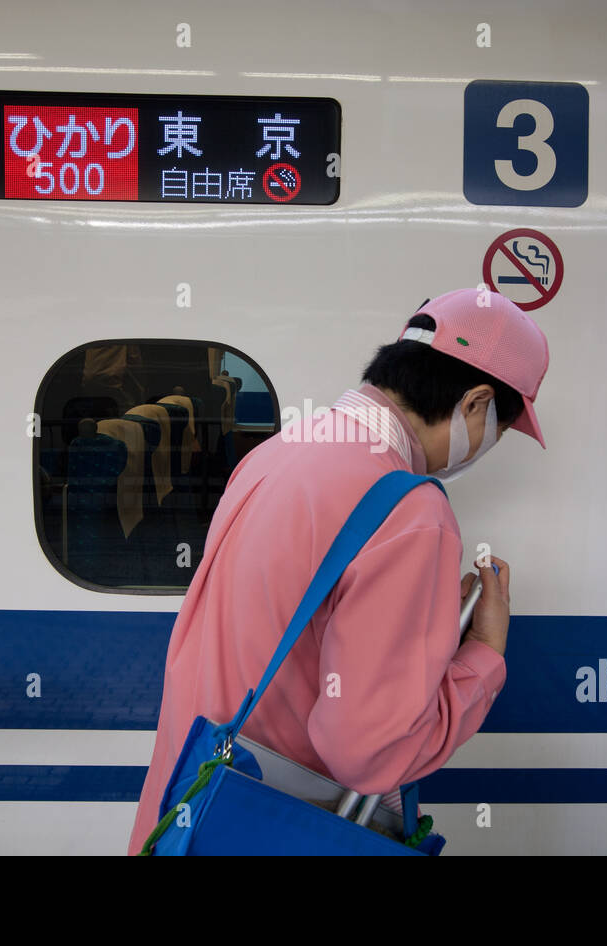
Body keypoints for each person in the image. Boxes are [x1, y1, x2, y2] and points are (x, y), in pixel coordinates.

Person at [127, 288, 550, 854]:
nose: (484, 446)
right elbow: (369, 752)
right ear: (474, 403)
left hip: (192, 811)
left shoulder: (282, 449)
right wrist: (483, 653)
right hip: (274, 827)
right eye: (497, 432)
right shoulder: (411, 510)